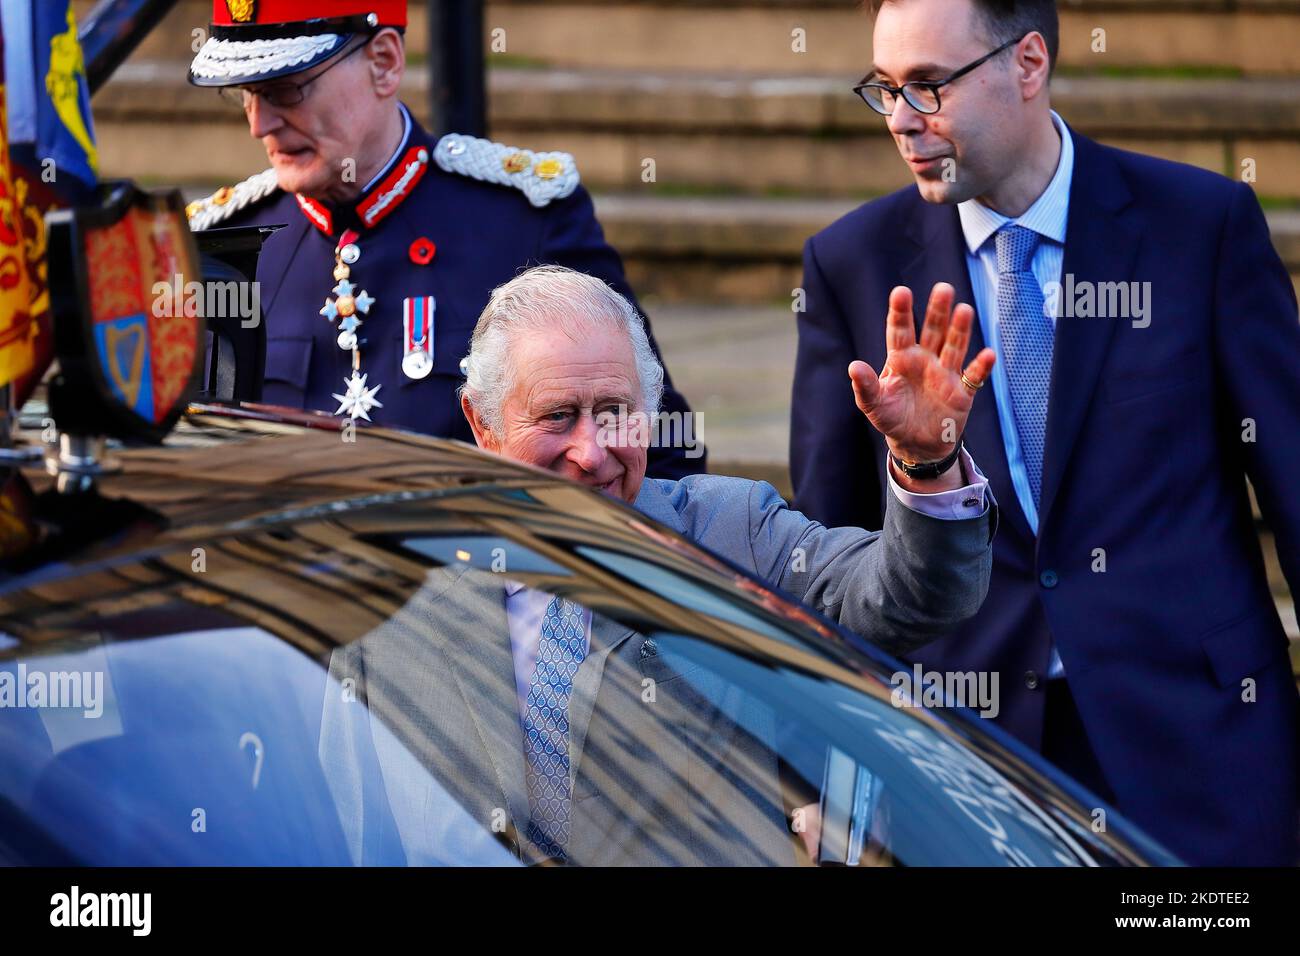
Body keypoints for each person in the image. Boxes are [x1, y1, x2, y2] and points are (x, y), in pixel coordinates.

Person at [790, 0, 1300, 865]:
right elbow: (831, 551)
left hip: (1199, 754)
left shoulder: (1199, 227)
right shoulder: (852, 265)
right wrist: (819, 773)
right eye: (885, 89)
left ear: (1028, 64)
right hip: (967, 770)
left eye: (928, 86)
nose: (903, 122)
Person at [321, 263, 998, 864]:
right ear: (482, 423)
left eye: (615, 414)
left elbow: (907, 596)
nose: (591, 453)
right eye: (558, 417)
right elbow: (349, 836)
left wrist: (924, 463)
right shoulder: (398, 588)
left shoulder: (734, 536)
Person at [184, 0, 705, 479]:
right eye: (247, 94)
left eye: (286, 89)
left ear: (384, 63)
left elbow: (655, 446)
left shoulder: (520, 220)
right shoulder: (227, 244)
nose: (260, 124)